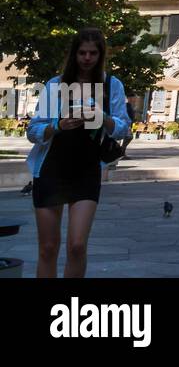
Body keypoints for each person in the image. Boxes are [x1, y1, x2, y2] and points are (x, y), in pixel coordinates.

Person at [26, 28, 131, 278]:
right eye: (82, 52)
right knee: (48, 248)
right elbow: (33, 130)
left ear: (100, 55)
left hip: (86, 171)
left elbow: (123, 127)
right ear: (74, 54)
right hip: (51, 169)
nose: (86, 58)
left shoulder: (110, 85)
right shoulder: (56, 85)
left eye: (93, 53)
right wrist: (58, 126)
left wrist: (102, 117)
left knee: (77, 246)